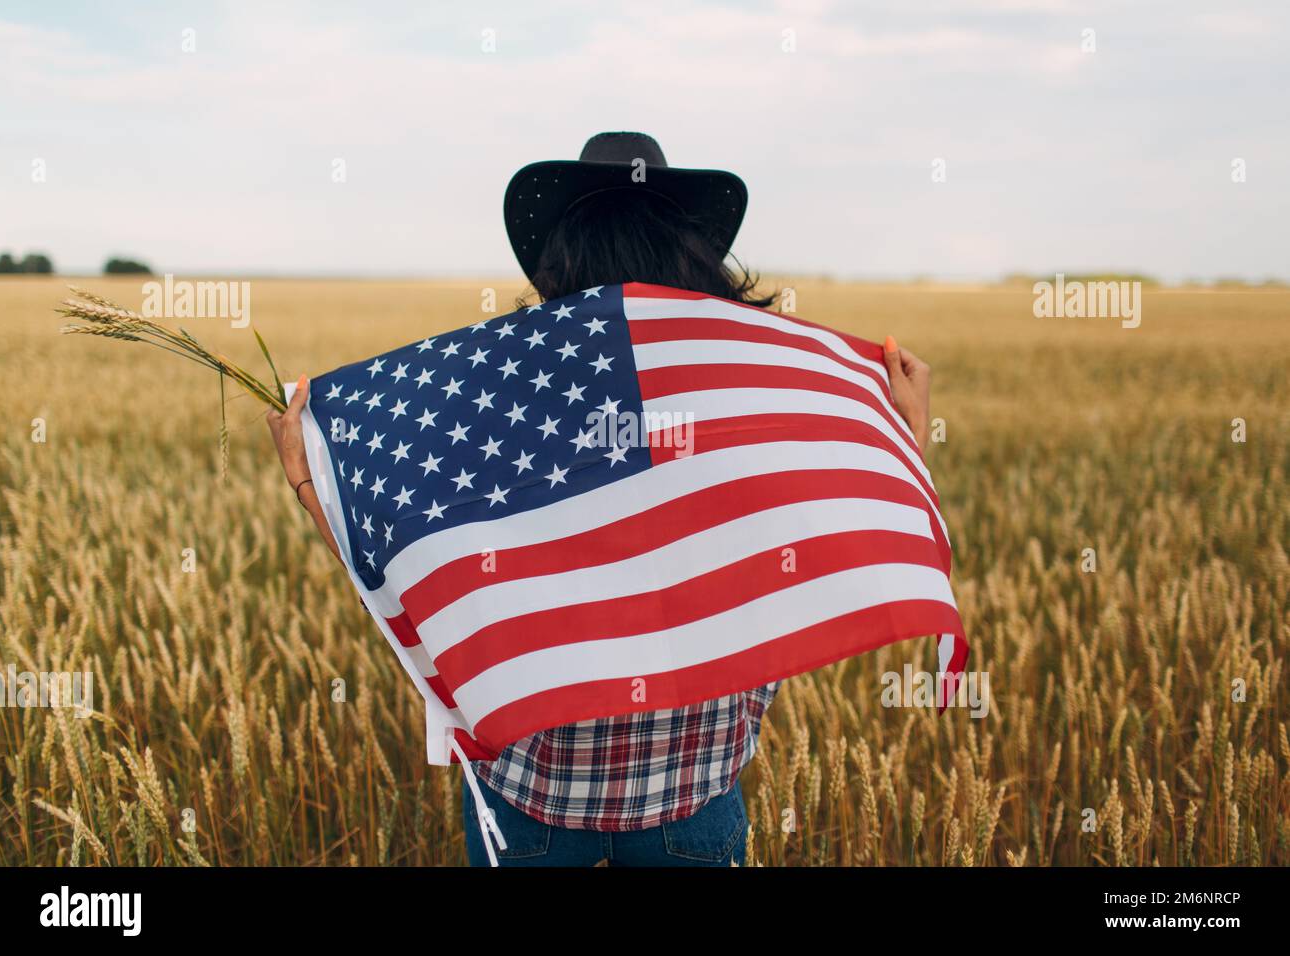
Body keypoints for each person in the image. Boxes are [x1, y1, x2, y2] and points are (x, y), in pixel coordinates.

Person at [267, 132, 932, 866]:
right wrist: (903, 431)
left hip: (530, 805)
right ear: (691, 255)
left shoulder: (502, 403)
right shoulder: (748, 402)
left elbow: (409, 575)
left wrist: (310, 481)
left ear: (562, 262)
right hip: (694, 800)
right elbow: (844, 537)